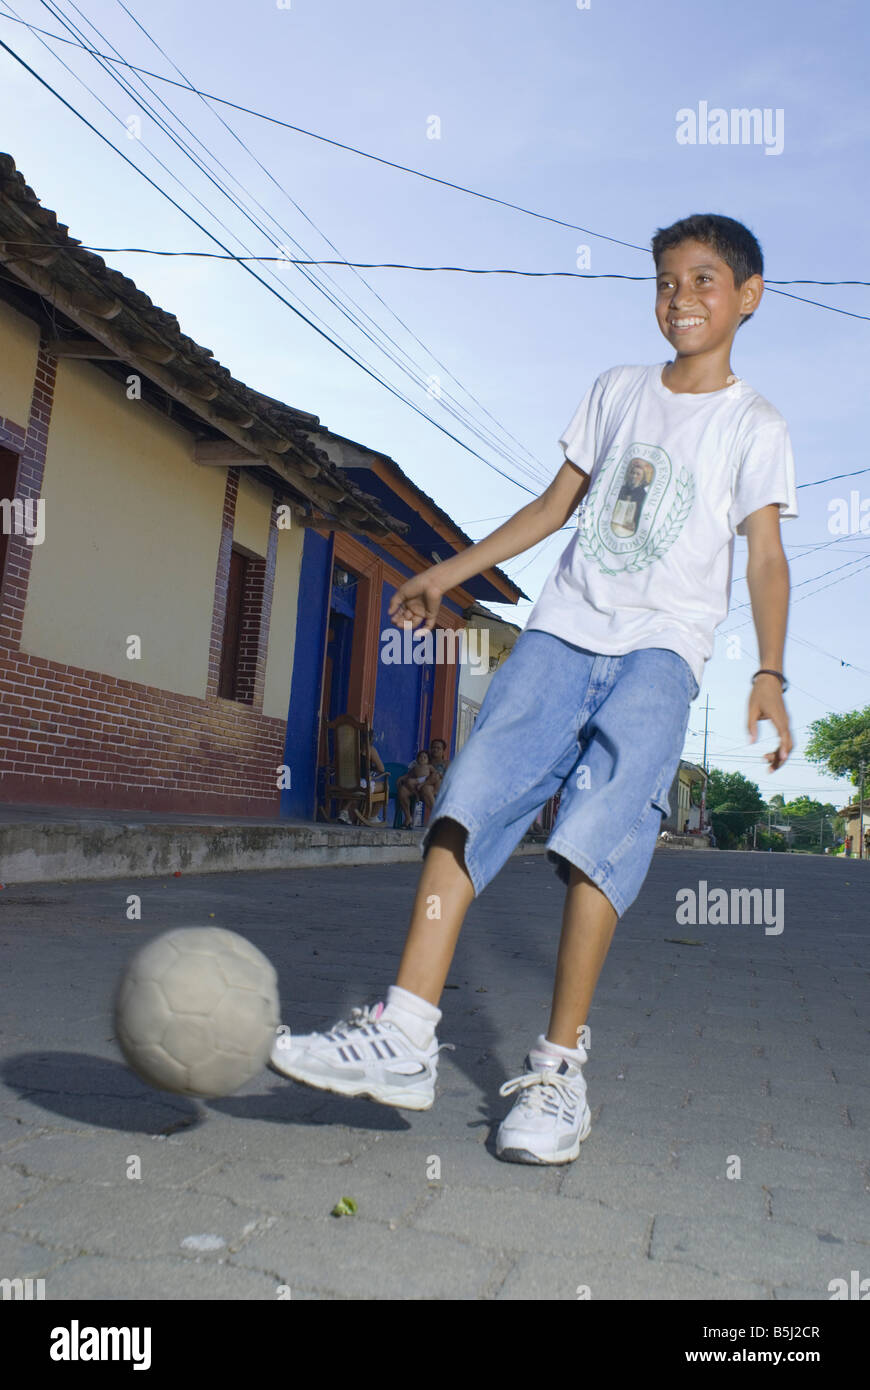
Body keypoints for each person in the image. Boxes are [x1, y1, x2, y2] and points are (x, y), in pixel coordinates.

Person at [271, 213, 796, 1165]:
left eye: (705, 281)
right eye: (668, 281)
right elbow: (554, 507)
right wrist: (447, 573)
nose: (681, 297)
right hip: (560, 632)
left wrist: (767, 668)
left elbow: (765, 554)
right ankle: (405, 1034)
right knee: (465, 804)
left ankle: (559, 1072)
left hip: (660, 654)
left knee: (596, 843)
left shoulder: (754, 424)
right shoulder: (617, 391)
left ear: (748, 297)